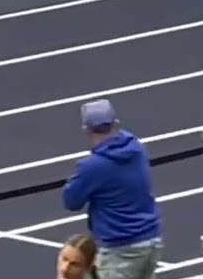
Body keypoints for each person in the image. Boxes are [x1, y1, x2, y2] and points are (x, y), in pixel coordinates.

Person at [63, 99, 162, 279]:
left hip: (121, 248)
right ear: (116, 124)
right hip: (151, 240)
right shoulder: (137, 148)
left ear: (86, 129)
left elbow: (71, 201)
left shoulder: (91, 167)